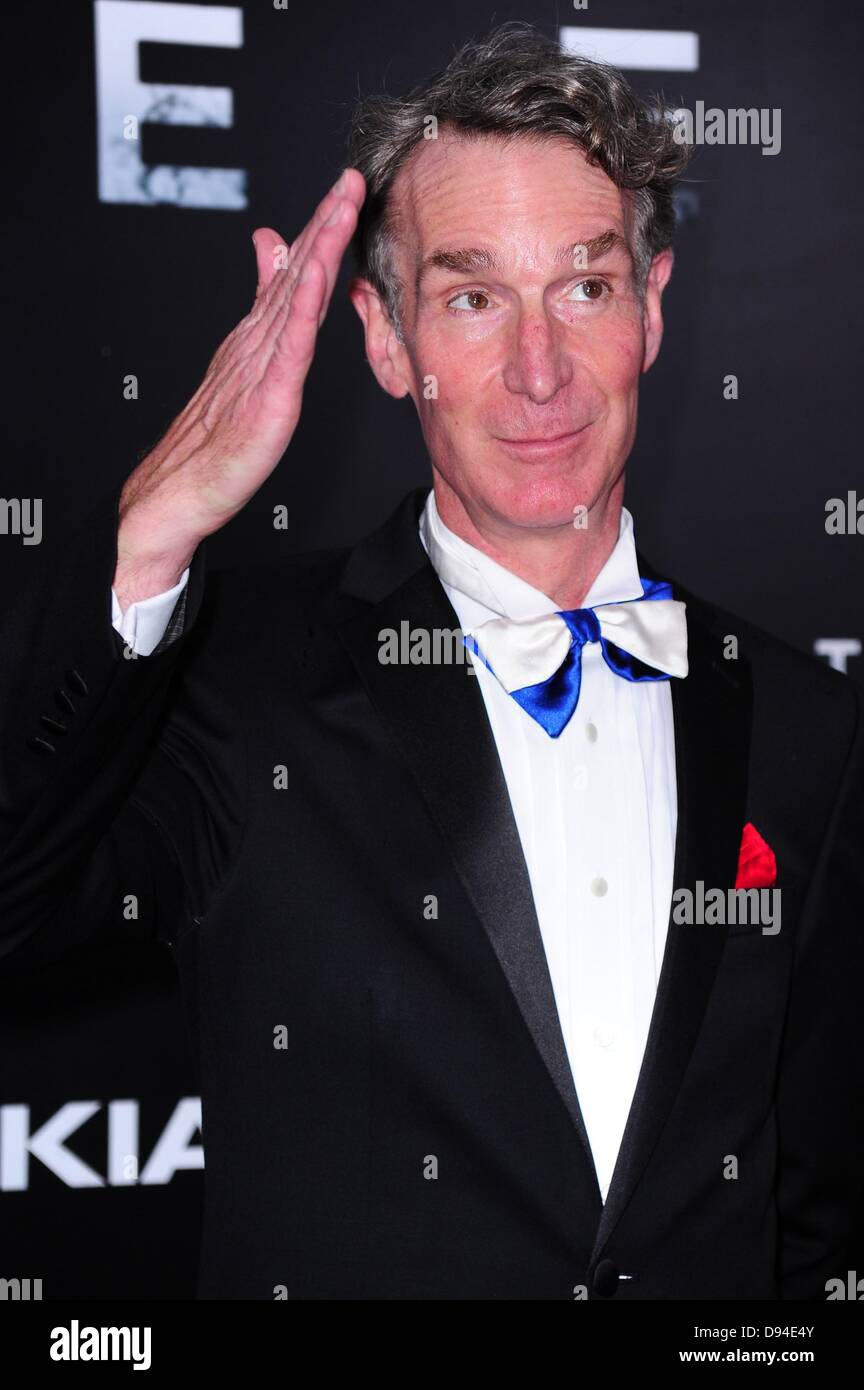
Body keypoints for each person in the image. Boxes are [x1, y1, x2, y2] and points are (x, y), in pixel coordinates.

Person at [2, 21, 862, 1300]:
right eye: (471, 298)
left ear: (652, 307)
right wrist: (156, 522)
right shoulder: (237, 685)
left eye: (583, 285)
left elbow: (816, 1206)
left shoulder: (804, 719)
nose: (538, 371)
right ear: (386, 337)